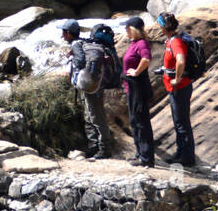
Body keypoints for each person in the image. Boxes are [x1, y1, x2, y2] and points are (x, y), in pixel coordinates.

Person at [61, 19, 113, 160]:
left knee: (96, 116)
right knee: (90, 115)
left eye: (63, 33)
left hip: (90, 85)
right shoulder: (82, 42)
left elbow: (80, 62)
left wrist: (71, 55)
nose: (62, 36)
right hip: (91, 83)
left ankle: (104, 149)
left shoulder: (76, 45)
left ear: (68, 33)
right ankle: (94, 146)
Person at [158, 12, 196, 167]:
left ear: (163, 26)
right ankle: (181, 152)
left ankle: (187, 157)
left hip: (180, 87)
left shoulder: (175, 42)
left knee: (181, 122)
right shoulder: (171, 39)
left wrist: (177, 78)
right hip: (176, 87)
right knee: (179, 120)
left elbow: (180, 59)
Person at [122, 16, 155, 167]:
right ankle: (140, 154)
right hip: (132, 89)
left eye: (127, 28)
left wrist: (135, 72)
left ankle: (146, 157)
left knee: (141, 122)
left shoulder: (141, 43)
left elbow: (146, 59)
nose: (125, 31)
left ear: (133, 29)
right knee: (135, 121)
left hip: (139, 89)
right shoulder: (134, 43)